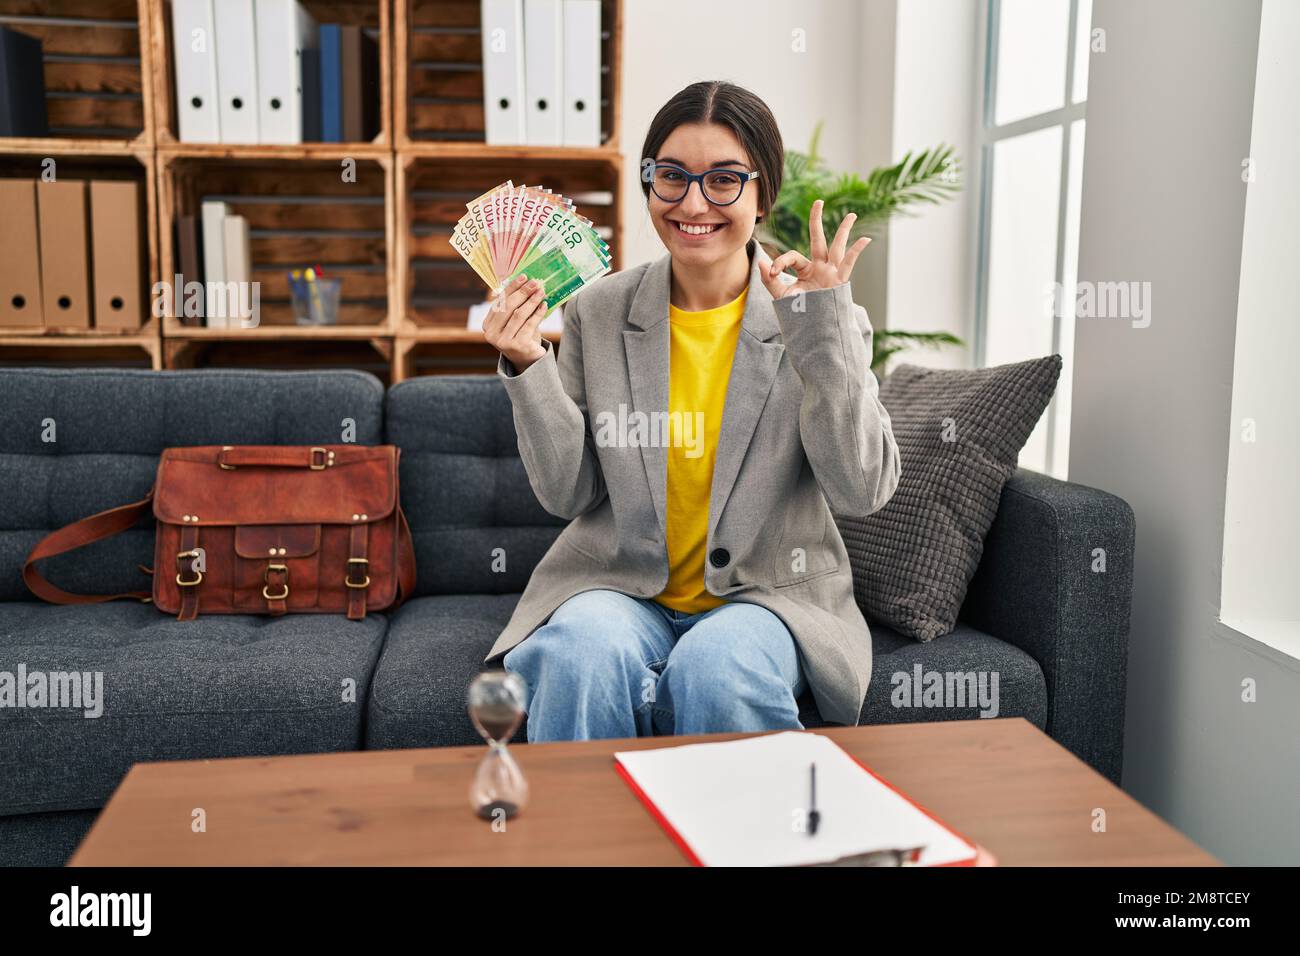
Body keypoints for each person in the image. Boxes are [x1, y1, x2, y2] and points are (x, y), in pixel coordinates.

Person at [481, 80, 901, 742]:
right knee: (577, 655)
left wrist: (822, 336)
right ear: (649, 183)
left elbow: (860, 490)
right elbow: (570, 493)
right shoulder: (597, 311)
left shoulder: (820, 319)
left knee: (718, 665)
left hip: (769, 600)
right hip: (622, 590)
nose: (693, 202)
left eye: (725, 180)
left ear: (764, 194)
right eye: (671, 177)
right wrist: (530, 367)